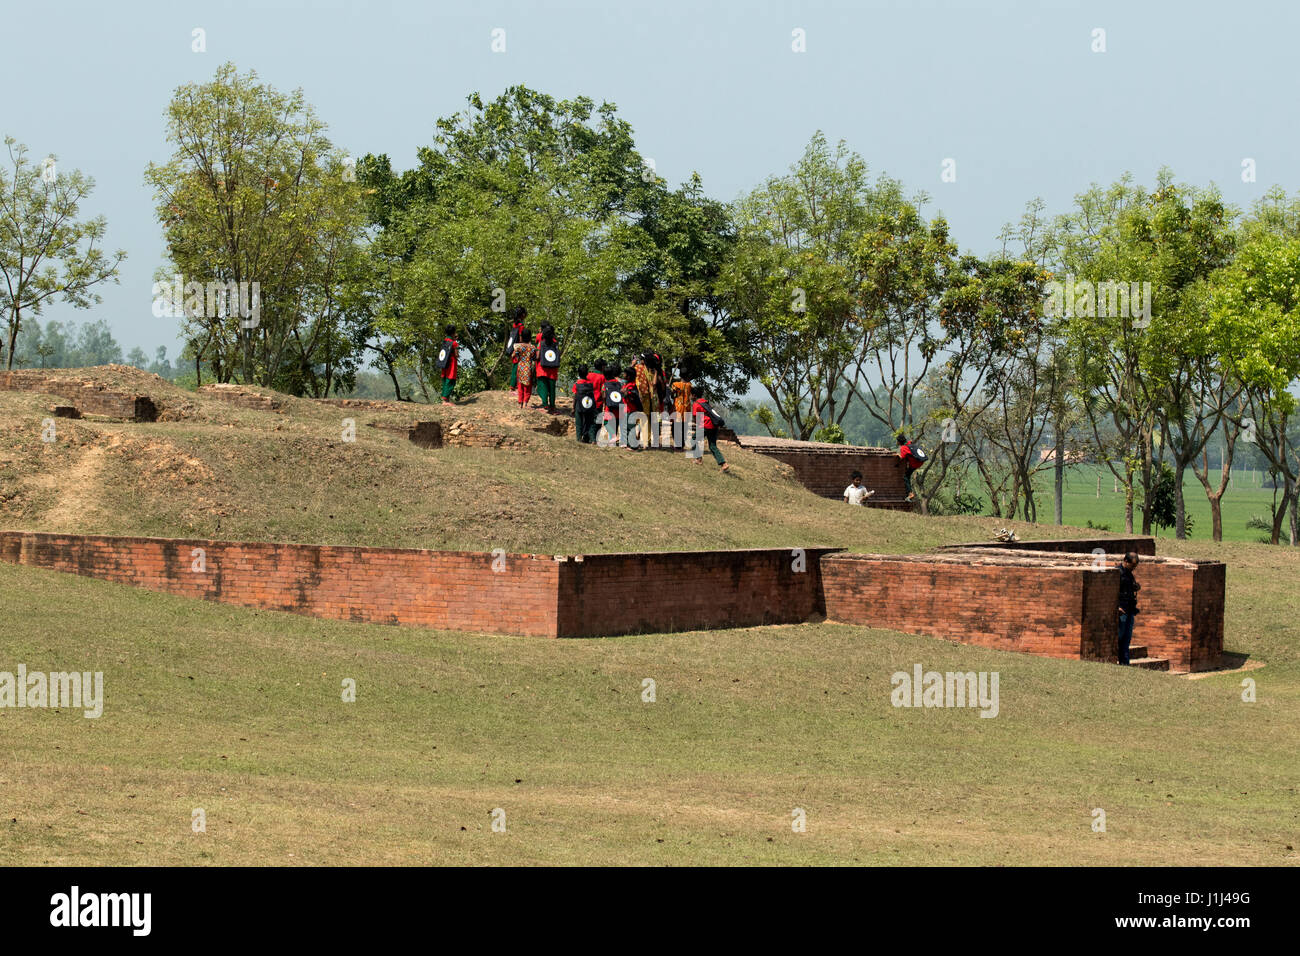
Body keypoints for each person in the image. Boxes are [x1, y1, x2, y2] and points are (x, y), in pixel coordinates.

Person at [690, 388, 728, 471]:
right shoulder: (705, 401)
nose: (690, 396)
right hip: (714, 426)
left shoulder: (696, 404)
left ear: (694, 395)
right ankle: (724, 464)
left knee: (693, 439)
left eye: (691, 394)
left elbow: (695, 418)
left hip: (705, 425)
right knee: (713, 446)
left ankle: (698, 459)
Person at [1117, 552, 1142, 665]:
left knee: (1127, 638)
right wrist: (1117, 607)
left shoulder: (1129, 574)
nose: (1133, 568)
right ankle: (1119, 660)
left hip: (1129, 609)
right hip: (1122, 610)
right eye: (1132, 566)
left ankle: (1125, 662)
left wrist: (1135, 587)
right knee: (1120, 636)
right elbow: (1113, 591)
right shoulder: (1118, 573)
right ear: (1125, 562)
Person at [534, 322, 560, 413]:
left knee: (543, 387)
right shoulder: (556, 343)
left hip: (542, 369)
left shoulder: (541, 343)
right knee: (552, 389)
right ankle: (552, 406)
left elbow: (537, 356)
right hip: (553, 370)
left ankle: (545, 405)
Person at [896, 431, 927, 501]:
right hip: (920, 462)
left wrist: (897, 455)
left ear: (899, 441)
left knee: (905, 477)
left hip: (915, 464)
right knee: (908, 475)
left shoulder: (903, 448)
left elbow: (902, 458)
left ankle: (910, 494)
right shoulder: (909, 443)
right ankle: (909, 493)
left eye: (897, 441)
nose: (896, 443)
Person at [511, 330, 536, 407]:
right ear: (529, 338)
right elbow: (534, 357)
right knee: (528, 386)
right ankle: (525, 402)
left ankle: (520, 402)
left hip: (520, 367)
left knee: (520, 385)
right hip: (528, 368)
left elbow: (513, 355)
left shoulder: (518, 346)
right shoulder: (532, 347)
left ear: (521, 337)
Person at [572, 363, 595, 443]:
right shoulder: (590, 384)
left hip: (579, 406)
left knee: (579, 423)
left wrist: (573, 408)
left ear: (578, 373)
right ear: (587, 373)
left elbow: (575, 397)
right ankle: (592, 439)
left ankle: (579, 439)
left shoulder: (577, 384)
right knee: (590, 422)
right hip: (589, 405)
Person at [506, 306, 527, 390]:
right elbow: (521, 338)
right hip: (518, 348)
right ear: (522, 315)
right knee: (518, 367)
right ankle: (514, 385)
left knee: (515, 366)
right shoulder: (521, 326)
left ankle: (513, 385)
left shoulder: (514, 325)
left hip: (513, 347)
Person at [439, 326, 459, 406]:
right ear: (453, 332)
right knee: (450, 380)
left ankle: (444, 398)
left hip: (444, 363)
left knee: (445, 378)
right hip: (451, 363)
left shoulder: (445, 340)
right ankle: (445, 401)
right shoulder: (454, 343)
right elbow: (456, 355)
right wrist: (456, 343)